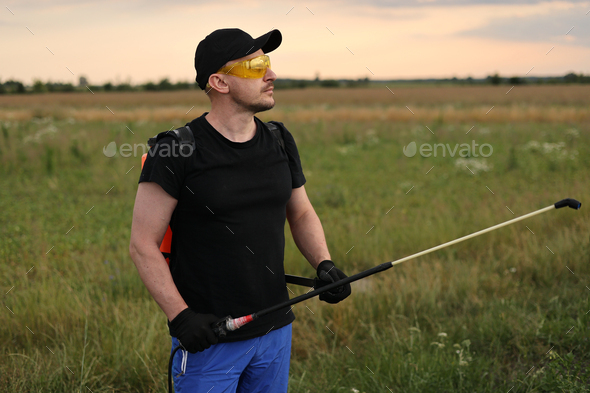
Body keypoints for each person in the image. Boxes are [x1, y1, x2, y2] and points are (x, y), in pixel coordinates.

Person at [129, 28, 351, 392]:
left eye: (269, 63)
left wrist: (324, 265)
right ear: (219, 82)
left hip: (275, 328)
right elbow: (142, 244)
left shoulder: (279, 138)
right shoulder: (176, 149)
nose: (271, 74)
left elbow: (301, 213)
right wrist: (181, 317)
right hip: (211, 339)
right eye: (255, 65)